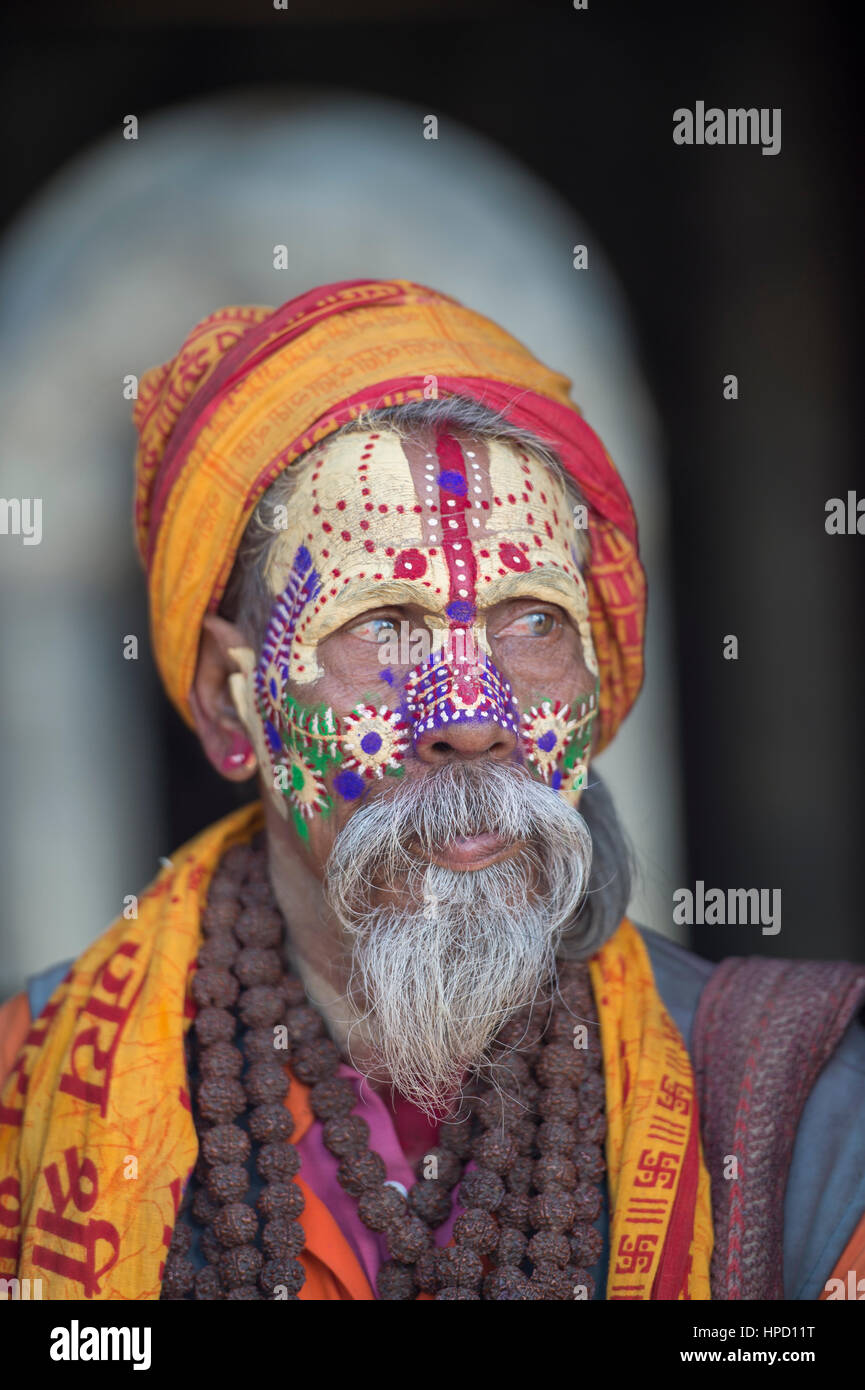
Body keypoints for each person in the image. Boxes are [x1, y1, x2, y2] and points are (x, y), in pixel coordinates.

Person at [1, 279, 863, 1302]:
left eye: (532, 619)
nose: (469, 712)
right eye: (381, 622)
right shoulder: (30, 1088)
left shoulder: (806, 1112)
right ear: (231, 705)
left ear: (595, 674)